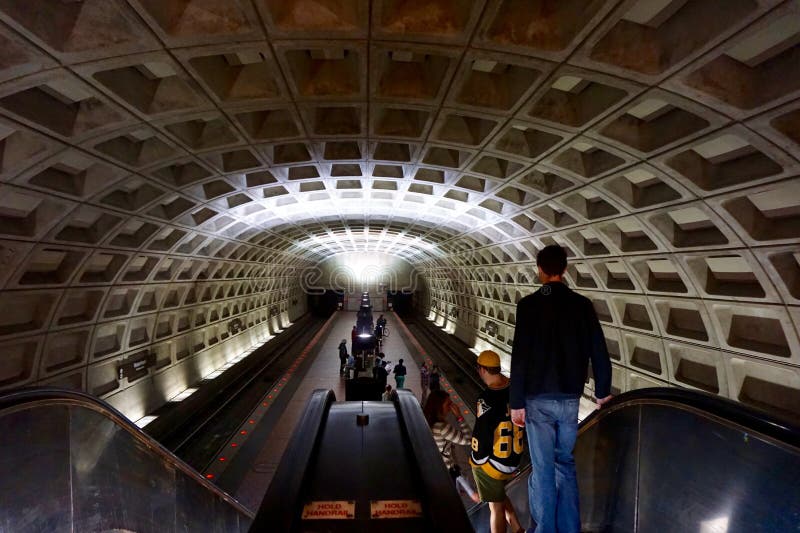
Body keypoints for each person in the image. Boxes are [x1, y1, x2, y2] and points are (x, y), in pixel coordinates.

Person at [510, 245, 613, 533]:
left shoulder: (528, 306)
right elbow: (598, 350)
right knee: (565, 463)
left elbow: (520, 356)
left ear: (539, 269)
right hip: (569, 399)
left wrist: (516, 401)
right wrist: (602, 390)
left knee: (543, 470)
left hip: (536, 399)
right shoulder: (581, 305)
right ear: (565, 269)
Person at [470, 350, 525, 533]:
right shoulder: (515, 388)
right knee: (498, 495)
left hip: (495, 463)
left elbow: (482, 433)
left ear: (483, 369)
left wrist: (477, 459)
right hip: (514, 458)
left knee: (495, 509)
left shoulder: (486, 398)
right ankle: (517, 528)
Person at [423, 390, 479, 503]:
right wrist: (459, 416)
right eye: (448, 404)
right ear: (439, 406)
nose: (451, 407)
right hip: (445, 473)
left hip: (433, 470)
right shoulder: (442, 428)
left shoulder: (427, 422)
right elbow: (469, 440)